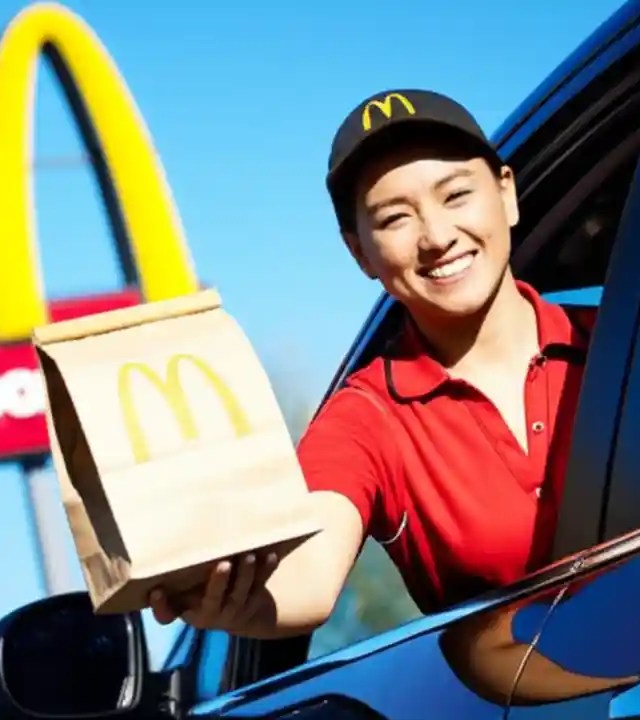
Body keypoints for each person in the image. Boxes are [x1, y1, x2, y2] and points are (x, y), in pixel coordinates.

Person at [147, 88, 595, 645]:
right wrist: (225, 594)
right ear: (359, 252)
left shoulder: (628, 330)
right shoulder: (369, 417)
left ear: (506, 193)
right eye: (395, 219)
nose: (436, 236)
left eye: (456, 195)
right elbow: (307, 571)